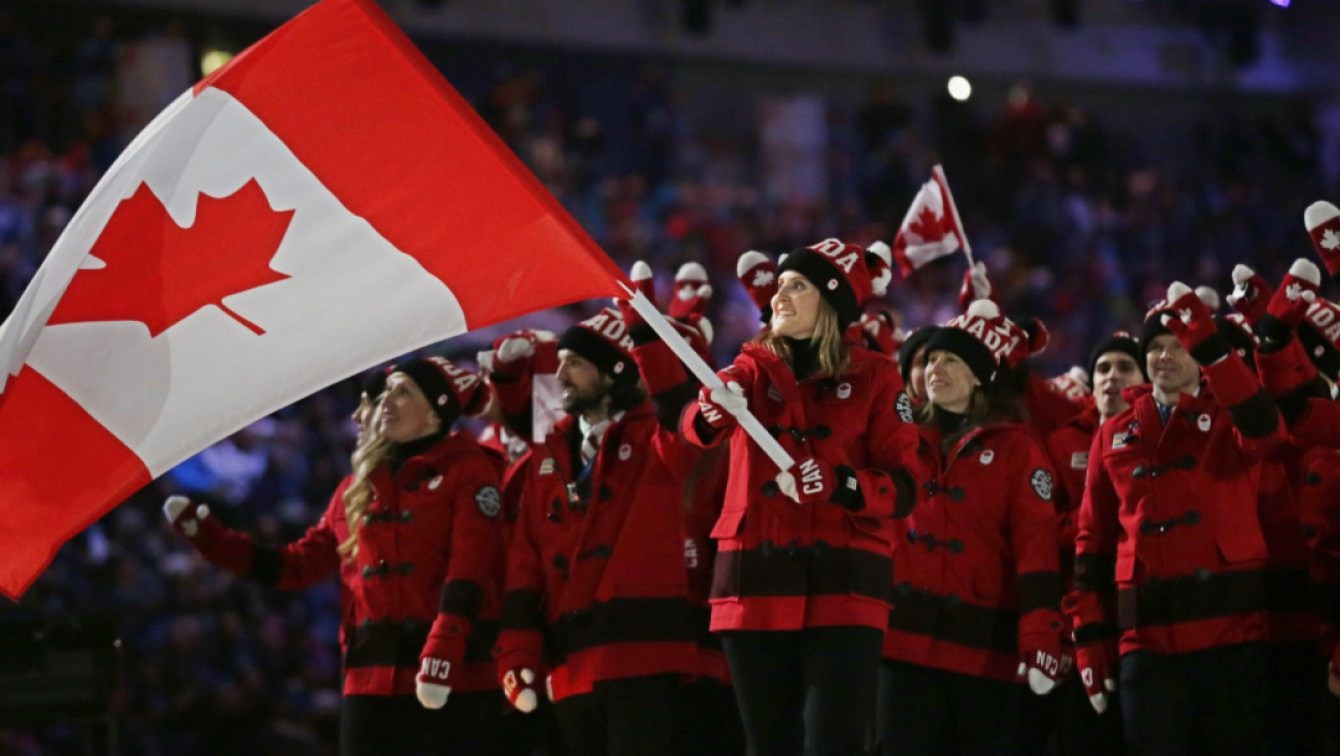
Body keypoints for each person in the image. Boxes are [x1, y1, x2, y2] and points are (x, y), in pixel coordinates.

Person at [164, 359, 507, 756]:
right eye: (386, 392)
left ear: (435, 412)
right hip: (369, 680)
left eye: (403, 391)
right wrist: (215, 543)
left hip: (458, 676)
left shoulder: (470, 471)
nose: (386, 402)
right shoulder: (355, 487)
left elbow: (473, 567)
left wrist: (444, 647)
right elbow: (297, 566)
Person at [683, 238, 921, 755]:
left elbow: (904, 487)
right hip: (755, 583)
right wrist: (710, 409)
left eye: (797, 286)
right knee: (769, 745)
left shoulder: (877, 376)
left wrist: (840, 483)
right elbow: (695, 424)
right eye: (781, 286)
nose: (778, 298)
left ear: (832, 301)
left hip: (846, 586)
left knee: (832, 743)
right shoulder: (750, 365)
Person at [1069, 282, 1286, 755]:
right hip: (1146, 639)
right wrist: (1089, 637)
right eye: (1157, 347)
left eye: (1178, 345)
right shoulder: (1113, 433)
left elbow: (1267, 433)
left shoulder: (1230, 415)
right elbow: (1092, 541)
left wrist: (1213, 347)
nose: (1165, 355)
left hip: (1231, 635)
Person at [494, 306, 705, 756]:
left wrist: (647, 333)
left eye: (575, 362)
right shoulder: (545, 454)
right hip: (571, 666)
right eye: (561, 361)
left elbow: (686, 422)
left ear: (613, 374)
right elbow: (526, 562)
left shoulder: (658, 437)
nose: (561, 373)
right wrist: (517, 653)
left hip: (644, 657)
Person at [877, 299, 1065, 755]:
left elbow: (1036, 547)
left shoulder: (1017, 450)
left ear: (980, 376)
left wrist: (1041, 633)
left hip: (985, 652)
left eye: (952, 359)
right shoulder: (896, 441)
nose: (936, 366)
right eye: (933, 358)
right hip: (900, 647)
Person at [1042, 332, 1144, 755]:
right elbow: (1041, 522)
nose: (1111, 377)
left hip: (1141, 617)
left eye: (1124, 367)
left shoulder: (1160, 436)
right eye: (1103, 368)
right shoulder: (1060, 442)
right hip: (1073, 623)